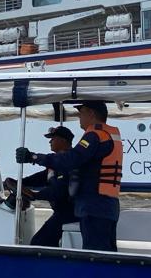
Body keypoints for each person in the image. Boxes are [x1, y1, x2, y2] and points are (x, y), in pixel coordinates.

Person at [16, 101, 121, 252]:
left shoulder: (94, 135)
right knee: (106, 254)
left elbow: (70, 160)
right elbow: (43, 176)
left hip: (93, 206)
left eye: (81, 112)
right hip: (106, 205)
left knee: (96, 255)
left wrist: (33, 157)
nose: (79, 117)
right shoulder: (107, 134)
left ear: (91, 113)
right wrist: (20, 183)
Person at [14, 127, 77, 247]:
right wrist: (19, 183)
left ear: (63, 140)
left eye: (52, 138)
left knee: (38, 244)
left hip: (69, 214)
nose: (50, 142)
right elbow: (41, 178)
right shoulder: (56, 163)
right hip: (61, 213)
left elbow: (58, 191)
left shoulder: (69, 163)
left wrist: (35, 195)